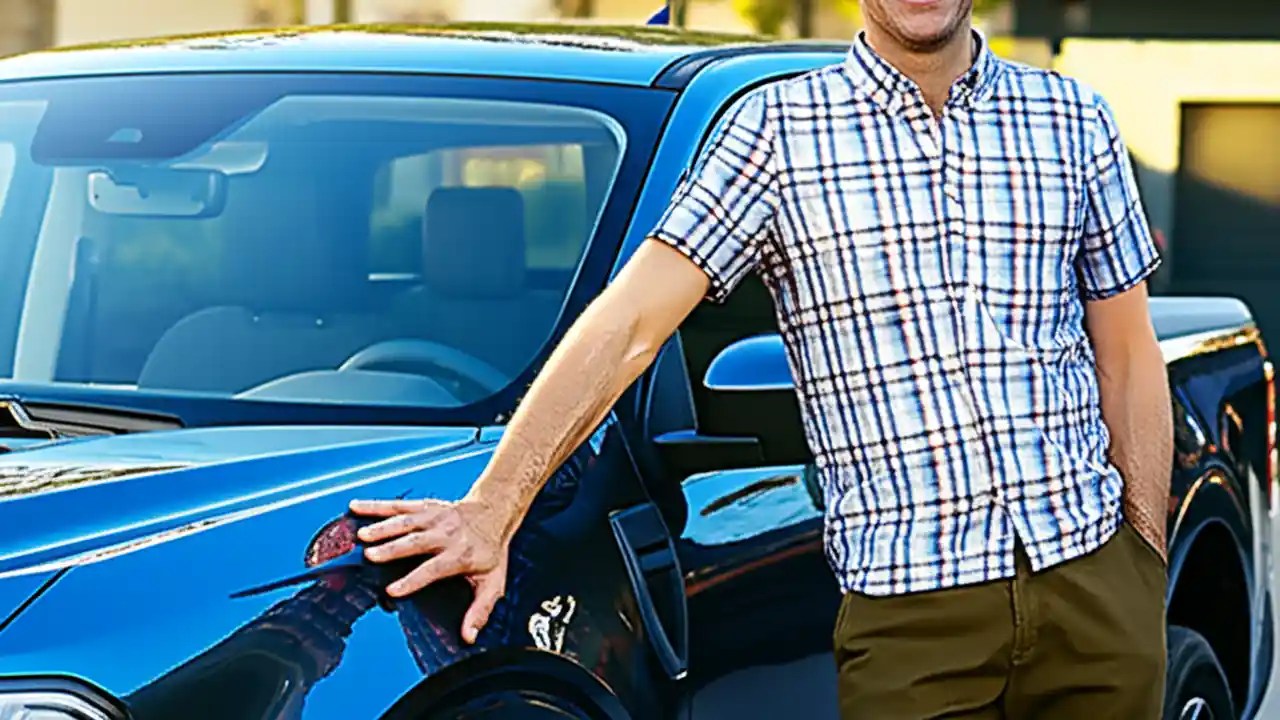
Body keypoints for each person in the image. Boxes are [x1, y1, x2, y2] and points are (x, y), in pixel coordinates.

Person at [350, 0, 1173, 716]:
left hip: (1092, 587)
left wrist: (1141, 564)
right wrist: (493, 507)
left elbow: (1129, 353)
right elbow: (629, 323)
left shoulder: (1072, 118)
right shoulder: (776, 132)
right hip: (912, 614)